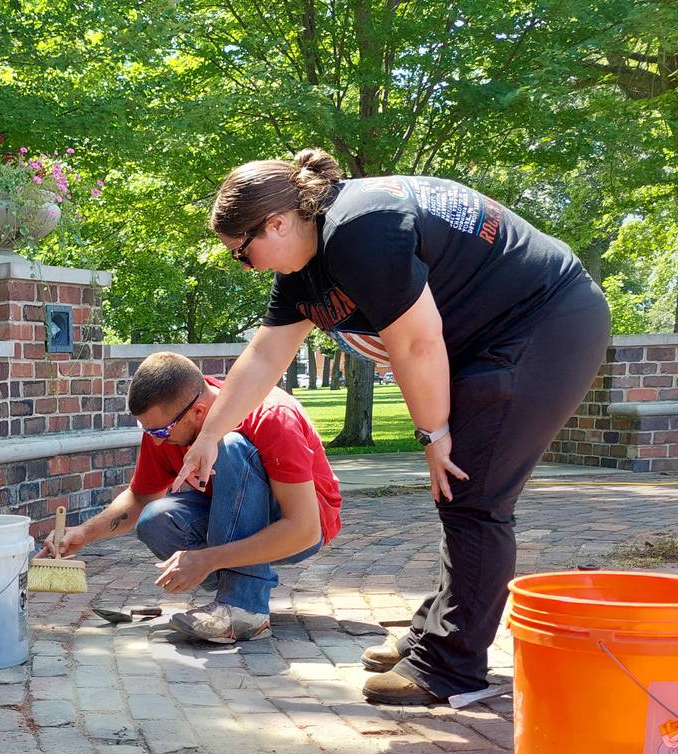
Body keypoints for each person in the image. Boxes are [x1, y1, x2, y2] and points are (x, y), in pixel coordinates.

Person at [175, 150, 611, 704]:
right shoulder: (307, 264)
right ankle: (436, 630)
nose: (248, 266)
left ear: (278, 222)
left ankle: (451, 670)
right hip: (488, 337)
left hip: (545, 322)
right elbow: (264, 357)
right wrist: (209, 436)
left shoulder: (361, 229)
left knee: (472, 495)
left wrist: (434, 435)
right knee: (458, 495)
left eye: (243, 251)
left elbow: (416, 344)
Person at [41, 352, 340, 643]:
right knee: (156, 520)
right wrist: (83, 532)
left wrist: (207, 560)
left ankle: (244, 608)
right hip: (236, 516)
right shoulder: (167, 424)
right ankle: (238, 586)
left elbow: (305, 530)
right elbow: (141, 498)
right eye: (147, 430)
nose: (156, 441)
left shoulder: (270, 416)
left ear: (198, 412)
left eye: (161, 431)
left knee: (230, 446)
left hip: (301, 524)